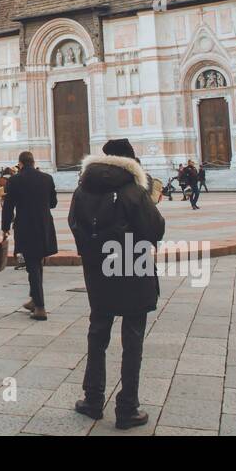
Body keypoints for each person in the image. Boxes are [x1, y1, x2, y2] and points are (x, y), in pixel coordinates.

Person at [68, 138, 165, 430]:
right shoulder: (134, 190)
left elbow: (75, 225)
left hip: (99, 270)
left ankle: (93, 400)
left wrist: (93, 254)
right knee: (132, 337)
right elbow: (155, 230)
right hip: (133, 267)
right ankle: (127, 407)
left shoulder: (82, 188)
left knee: (98, 332)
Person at [1, 151, 58, 321]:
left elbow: (8, 206)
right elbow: (53, 203)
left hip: (25, 226)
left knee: (32, 264)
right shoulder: (47, 178)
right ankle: (35, 299)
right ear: (33, 162)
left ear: (21, 164)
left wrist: (5, 227)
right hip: (44, 225)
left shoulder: (15, 180)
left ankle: (40, 307)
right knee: (36, 262)